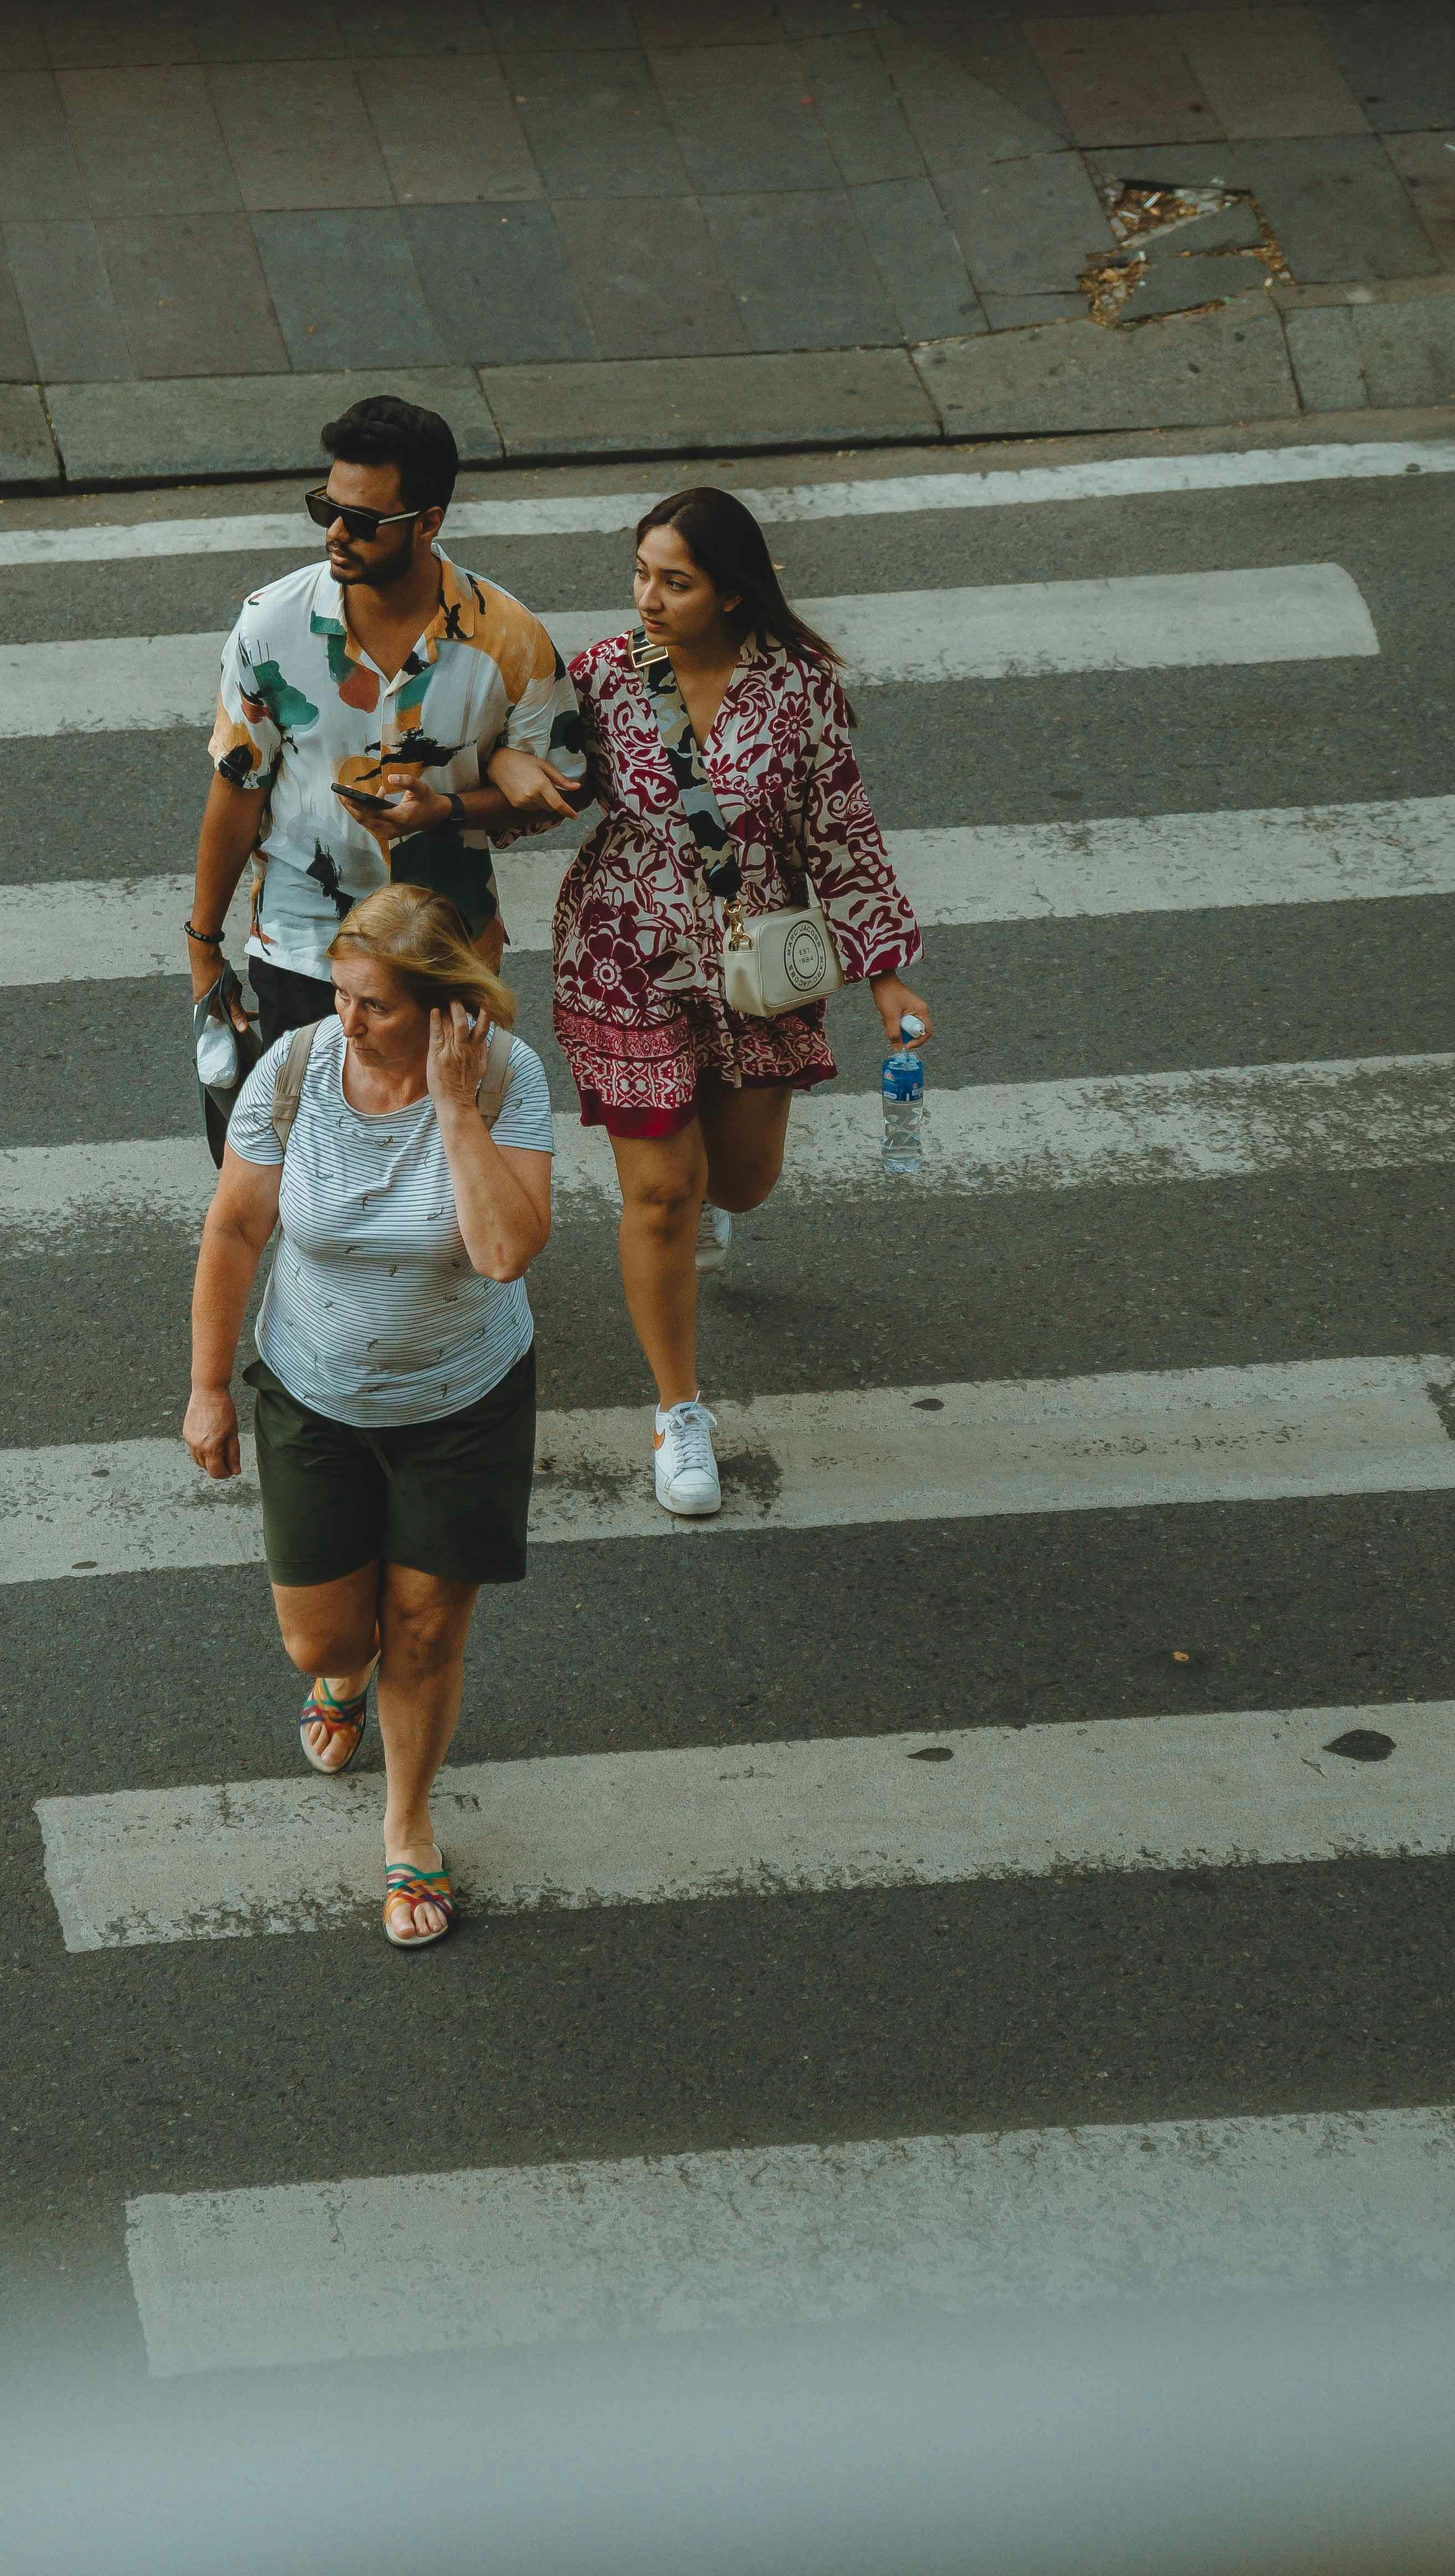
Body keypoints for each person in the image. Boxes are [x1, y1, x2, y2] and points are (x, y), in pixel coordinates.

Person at [531, 485, 928, 1522]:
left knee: (741, 1185)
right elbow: (546, 784)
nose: (647, 597)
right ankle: (680, 1413)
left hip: (756, 965)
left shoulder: (799, 694)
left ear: (733, 593)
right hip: (623, 954)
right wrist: (460, 802)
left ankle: (712, 1206)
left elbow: (842, 833)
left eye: (676, 580)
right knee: (657, 1193)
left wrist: (885, 972)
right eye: (642, 572)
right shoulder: (608, 678)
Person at [183, 883, 555, 1948]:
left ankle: (409, 1821)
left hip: (463, 1405)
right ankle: (347, 1675)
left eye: (376, 1004)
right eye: (344, 996)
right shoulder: (295, 1072)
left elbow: (504, 1253)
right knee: (324, 1637)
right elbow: (235, 1234)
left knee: (430, 1630)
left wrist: (452, 1107)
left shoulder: (506, 1080)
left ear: (444, 1005)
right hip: (315, 1399)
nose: (348, 1020)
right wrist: (209, 1387)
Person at [185, 393, 583, 1064]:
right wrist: (203, 950)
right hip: (307, 949)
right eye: (327, 509)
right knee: (306, 1160)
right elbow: (238, 788)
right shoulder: (270, 627)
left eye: (363, 520)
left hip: (445, 955)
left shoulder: (509, 639)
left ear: (427, 523)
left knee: (443, 1159)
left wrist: (452, 810)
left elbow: (560, 791)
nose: (336, 532)